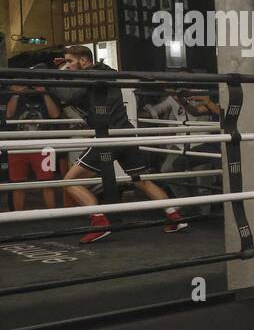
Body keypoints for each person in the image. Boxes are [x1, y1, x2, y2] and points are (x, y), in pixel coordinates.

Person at [50, 45, 188, 243]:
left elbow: (66, 96)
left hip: (109, 136)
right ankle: (175, 217)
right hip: (124, 132)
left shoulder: (91, 76)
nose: (68, 66)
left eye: (71, 61)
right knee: (141, 180)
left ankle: (99, 223)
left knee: (69, 181)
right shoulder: (102, 73)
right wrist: (63, 72)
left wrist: (54, 75)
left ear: (84, 61)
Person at [4, 68, 62, 212]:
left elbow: (55, 115)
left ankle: (52, 214)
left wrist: (43, 92)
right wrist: (17, 93)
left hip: (43, 146)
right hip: (17, 146)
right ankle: (19, 217)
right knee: (18, 184)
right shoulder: (14, 96)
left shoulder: (47, 94)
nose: (29, 84)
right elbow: (9, 115)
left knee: (47, 183)